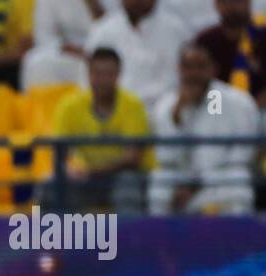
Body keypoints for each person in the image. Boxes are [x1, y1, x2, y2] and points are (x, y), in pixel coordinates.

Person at [149, 42, 259, 215]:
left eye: (200, 67)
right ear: (178, 69)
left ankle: (237, 239)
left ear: (213, 69)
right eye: (187, 67)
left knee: (238, 180)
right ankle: (161, 238)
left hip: (221, 178)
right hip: (181, 178)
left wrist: (197, 184)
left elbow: (241, 155)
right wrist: (178, 115)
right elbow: (166, 156)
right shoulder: (167, 104)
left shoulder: (235, 102)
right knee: (160, 181)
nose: (193, 74)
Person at [50, 47, 149, 211]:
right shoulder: (68, 106)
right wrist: (70, 170)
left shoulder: (133, 105)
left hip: (121, 176)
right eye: (97, 73)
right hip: (85, 179)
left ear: (118, 74)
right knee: (50, 185)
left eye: (109, 74)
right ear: (88, 74)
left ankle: (129, 236)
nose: (103, 80)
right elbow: (59, 154)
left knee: (128, 185)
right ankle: (61, 235)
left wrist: (92, 171)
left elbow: (133, 158)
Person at [85, 0, 192, 109]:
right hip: (114, 113)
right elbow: (90, 80)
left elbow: (177, 83)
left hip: (161, 112)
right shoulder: (102, 30)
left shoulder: (176, 30)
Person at [22, 0, 115, 89]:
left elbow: (116, 24)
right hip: (69, 53)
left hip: (106, 50)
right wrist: (64, 47)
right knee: (36, 61)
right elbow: (43, 35)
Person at [193, 0, 266, 105]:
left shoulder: (262, 34)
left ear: (248, 3)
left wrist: (250, 110)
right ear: (216, 5)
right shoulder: (206, 41)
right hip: (216, 108)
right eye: (224, 2)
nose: (231, 6)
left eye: (236, 1)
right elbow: (198, 83)